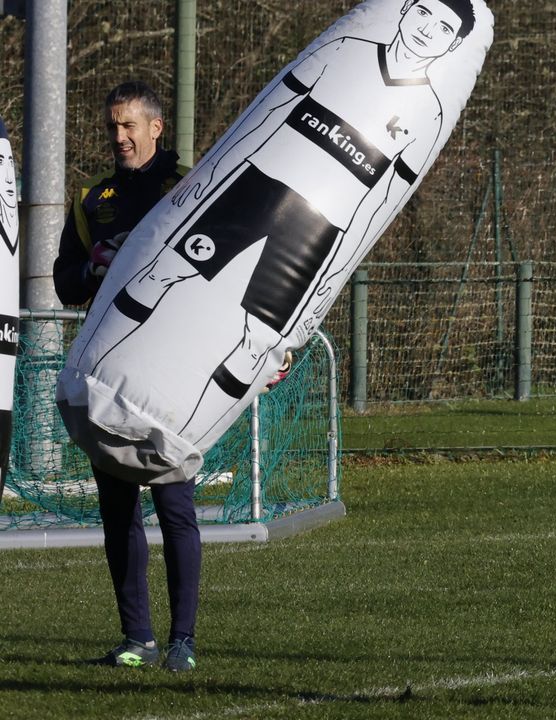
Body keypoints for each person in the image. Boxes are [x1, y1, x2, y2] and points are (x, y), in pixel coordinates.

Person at [73, 0, 475, 449]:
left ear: (453, 45)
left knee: (251, 345)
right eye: (424, 13)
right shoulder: (346, 50)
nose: (428, 30)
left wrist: (333, 272)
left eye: (444, 28)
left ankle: (181, 442)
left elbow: (380, 202)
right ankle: (95, 382)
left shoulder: (427, 112)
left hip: (315, 229)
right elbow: (265, 117)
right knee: (163, 274)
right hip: (255, 188)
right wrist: (212, 181)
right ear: (405, 12)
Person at [52, 81, 199, 672]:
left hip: (175, 371)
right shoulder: (93, 198)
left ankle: (183, 641)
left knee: (175, 506)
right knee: (118, 511)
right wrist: (93, 268)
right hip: (110, 374)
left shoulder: (192, 183)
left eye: (129, 125)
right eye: (113, 126)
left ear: (156, 128)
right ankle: (137, 638)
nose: (119, 136)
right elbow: (64, 282)